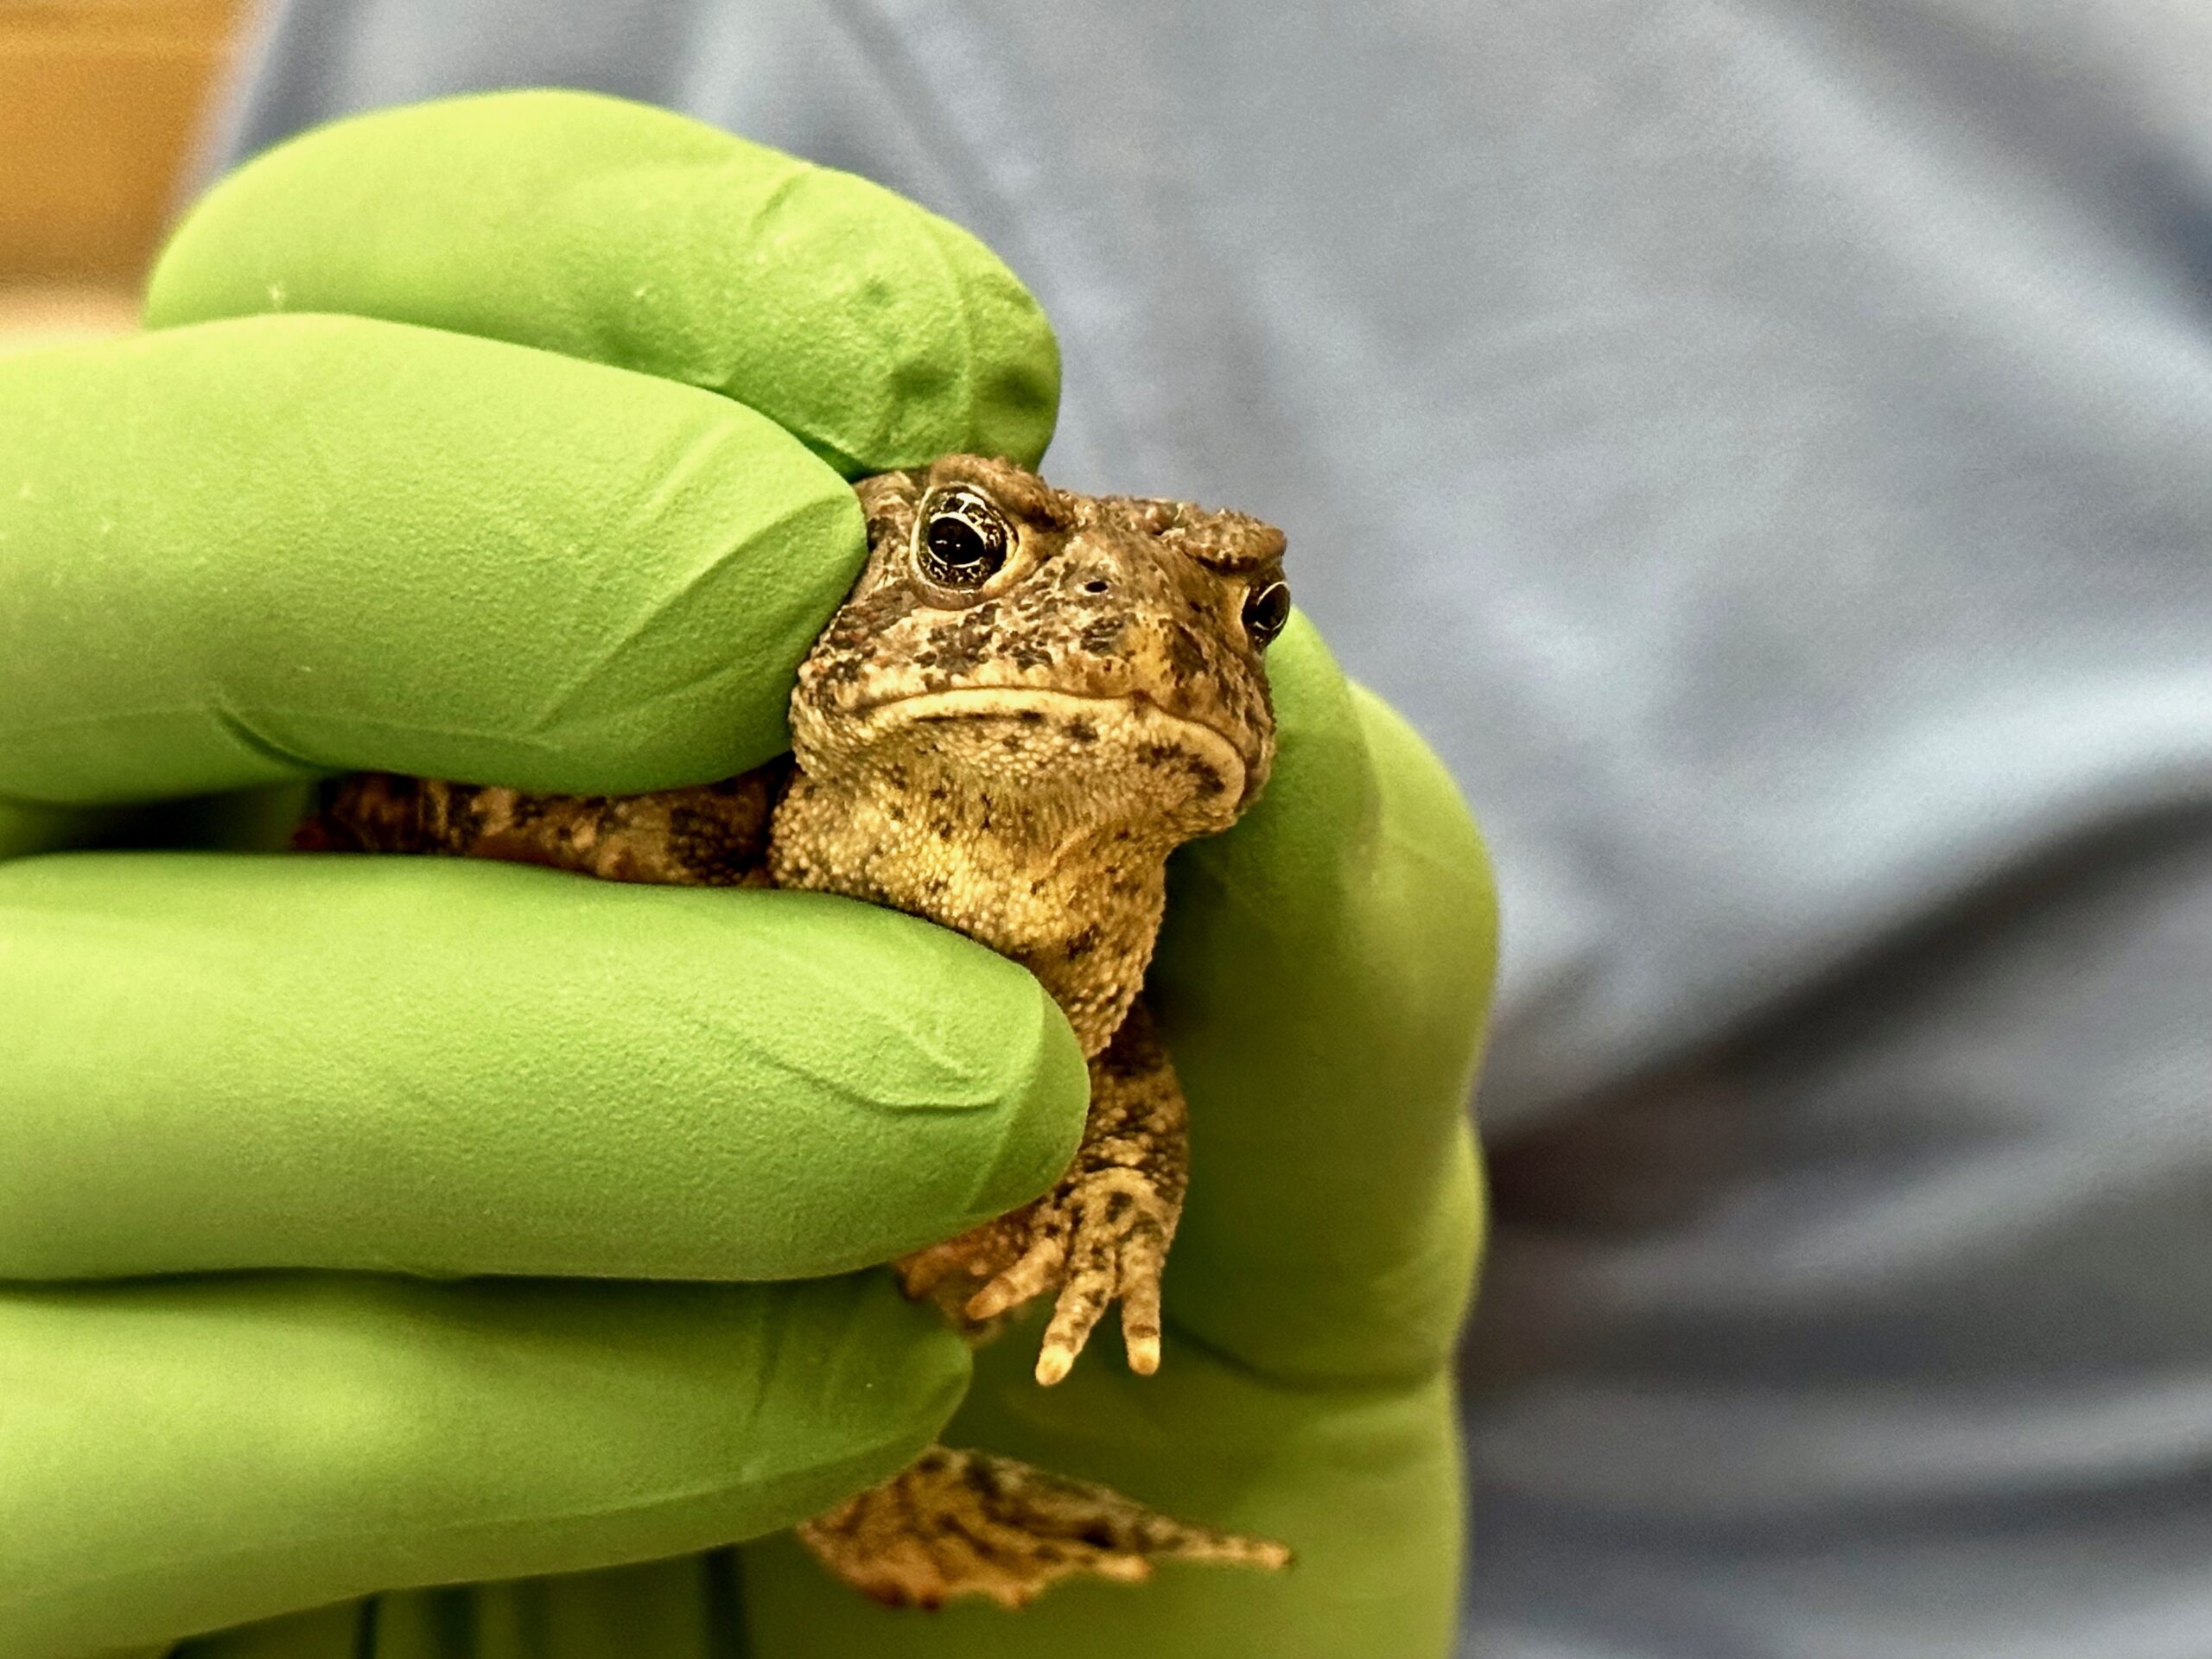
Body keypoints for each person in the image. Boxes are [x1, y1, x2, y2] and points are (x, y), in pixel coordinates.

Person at [5, 3, 2210, 1656]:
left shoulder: (1106, 912)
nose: (1142, 636)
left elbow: (1114, 1082)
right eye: (972, 554)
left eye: (1241, 615)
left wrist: (1114, 1212)